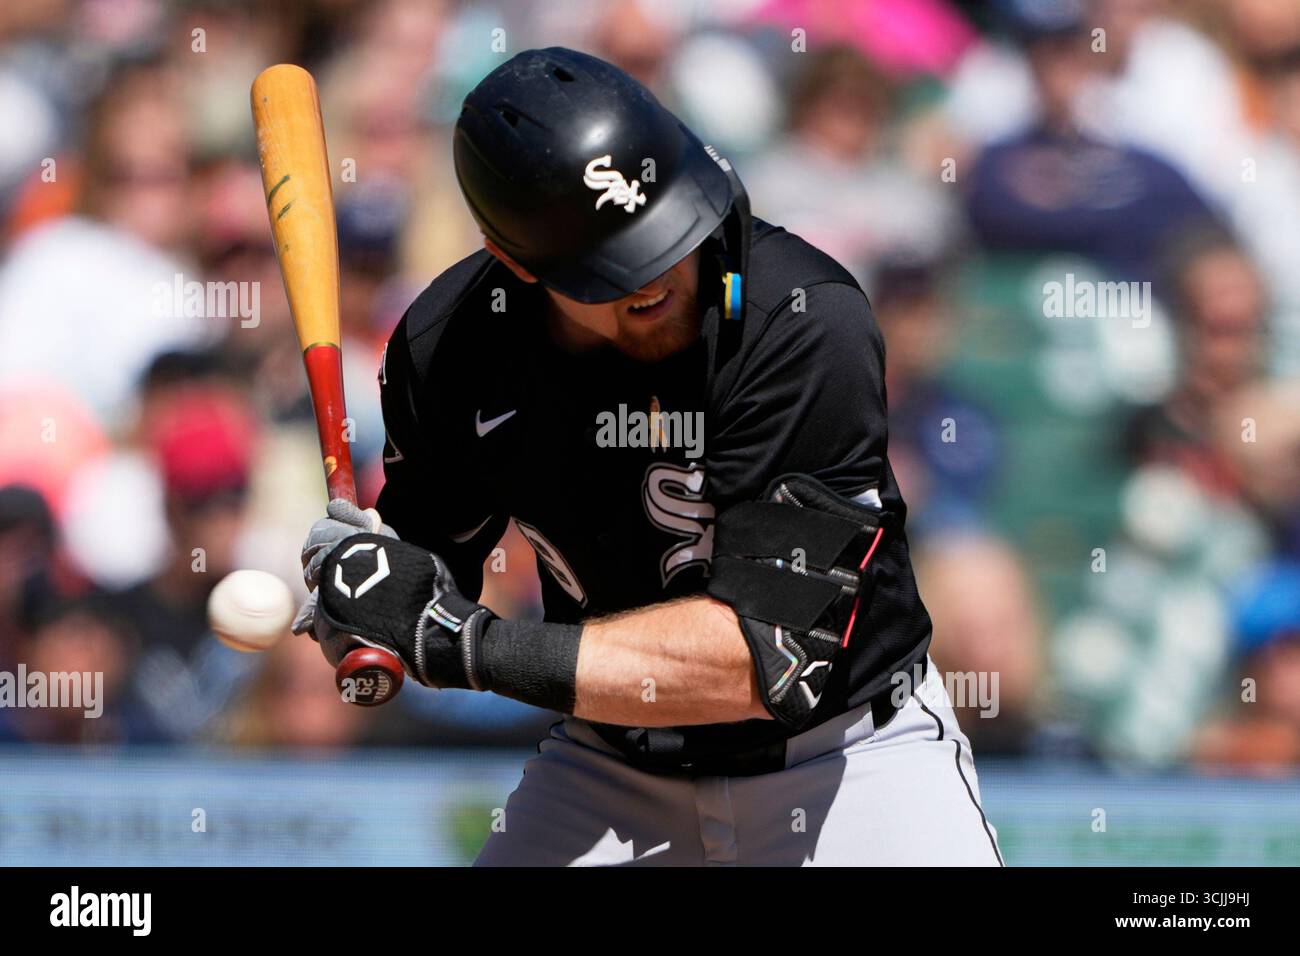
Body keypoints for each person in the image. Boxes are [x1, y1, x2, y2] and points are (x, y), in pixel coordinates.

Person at [294, 47, 1002, 866]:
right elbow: (423, 577)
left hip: (846, 761)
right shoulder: (453, 346)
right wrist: (361, 589)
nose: (662, 272)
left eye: (670, 227)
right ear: (518, 263)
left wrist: (461, 643)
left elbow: (761, 658)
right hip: (610, 767)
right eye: (613, 269)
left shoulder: (801, 322)